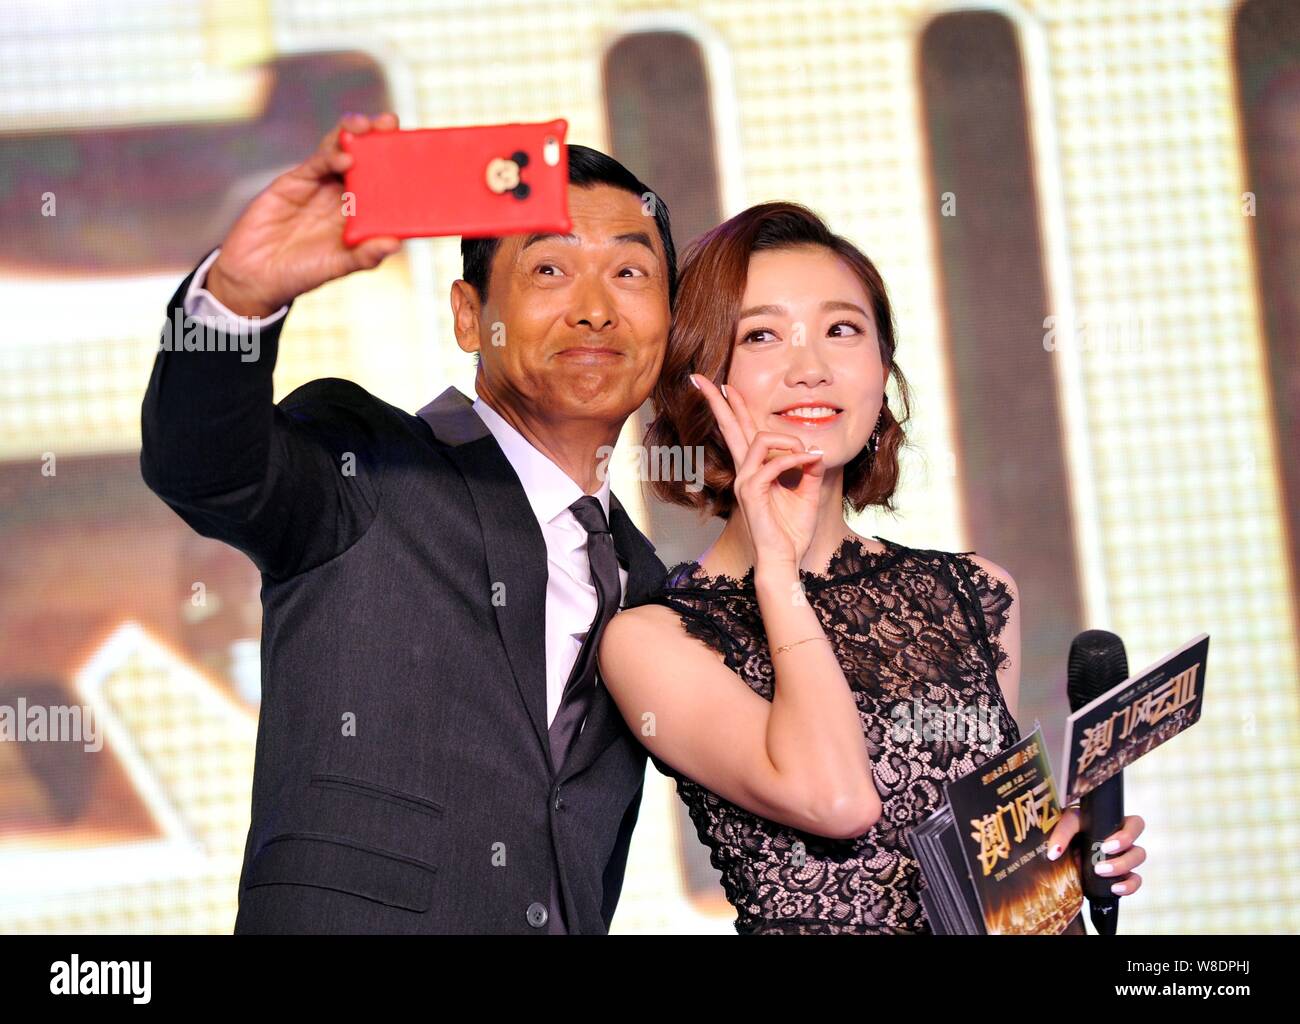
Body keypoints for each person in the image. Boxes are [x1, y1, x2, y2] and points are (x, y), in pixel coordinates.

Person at [140, 112, 677, 933]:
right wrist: (239, 298)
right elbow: (205, 467)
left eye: (631, 274)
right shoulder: (372, 464)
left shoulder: (648, 585)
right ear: (470, 317)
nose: (596, 310)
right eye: (550, 269)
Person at [597, 201, 1147, 934]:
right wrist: (779, 576)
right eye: (762, 335)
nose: (810, 369)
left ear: (881, 369)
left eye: (842, 330)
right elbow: (836, 799)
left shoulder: (975, 594)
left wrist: (1052, 865)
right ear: (704, 378)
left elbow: (982, 874)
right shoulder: (653, 639)